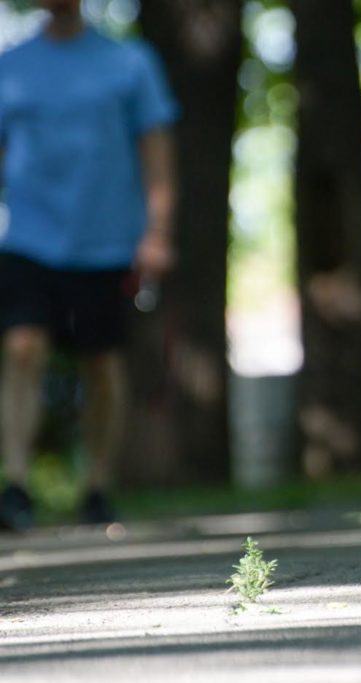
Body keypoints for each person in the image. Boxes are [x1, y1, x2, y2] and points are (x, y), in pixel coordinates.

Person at [0, 0, 178, 530]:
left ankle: (97, 488)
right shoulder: (11, 65)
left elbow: (157, 152)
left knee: (102, 363)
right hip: (28, 237)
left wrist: (158, 233)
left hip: (106, 242)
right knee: (23, 347)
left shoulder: (131, 62)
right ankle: (16, 486)